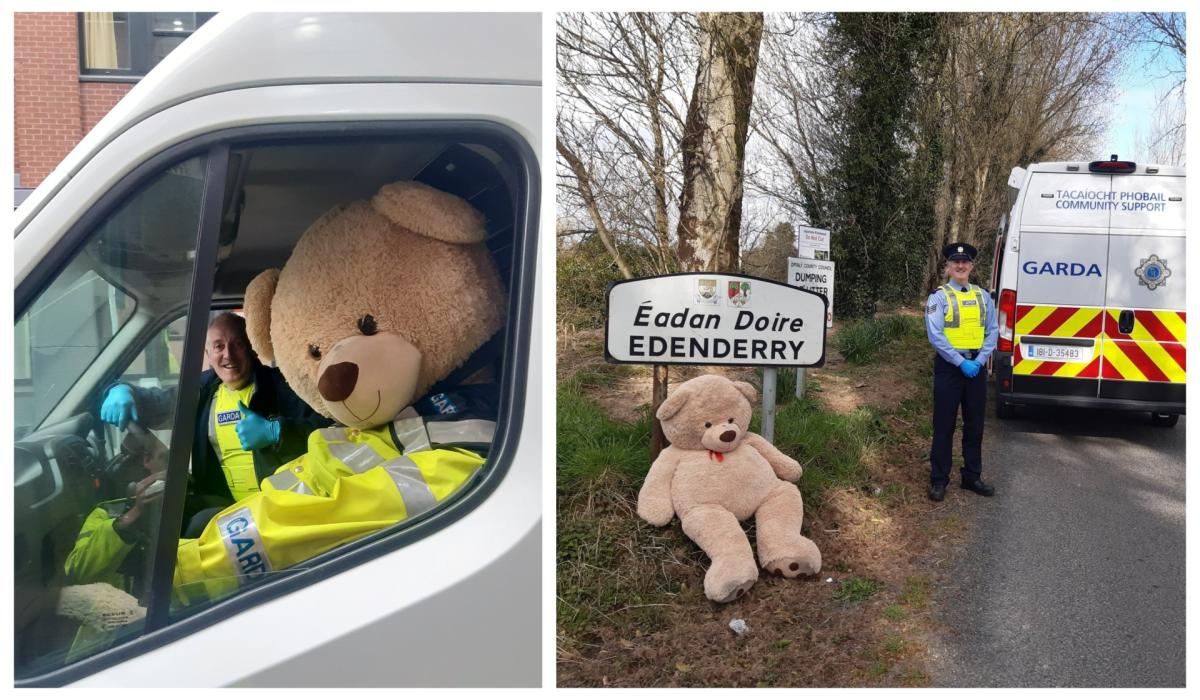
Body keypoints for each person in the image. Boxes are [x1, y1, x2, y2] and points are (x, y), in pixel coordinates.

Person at [99, 312, 331, 527]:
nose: (228, 354)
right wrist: (122, 390)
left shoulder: (283, 385)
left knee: (199, 523)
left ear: (251, 348)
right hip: (228, 507)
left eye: (237, 344)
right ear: (208, 355)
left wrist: (277, 432)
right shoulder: (201, 391)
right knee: (165, 514)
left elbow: (329, 430)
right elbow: (154, 402)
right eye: (219, 346)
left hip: (284, 503)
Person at [925, 242, 999, 502]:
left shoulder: (982, 296)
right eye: (955, 262)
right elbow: (935, 335)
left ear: (971, 265)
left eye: (965, 261)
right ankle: (939, 479)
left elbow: (992, 331)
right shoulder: (939, 296)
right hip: (950, 368)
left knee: (974, 425)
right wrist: (960, 362)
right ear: (948, 266)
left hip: (975, 368)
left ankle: (972, 476)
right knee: (944, 425)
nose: (960, 265)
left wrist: (979, 360)